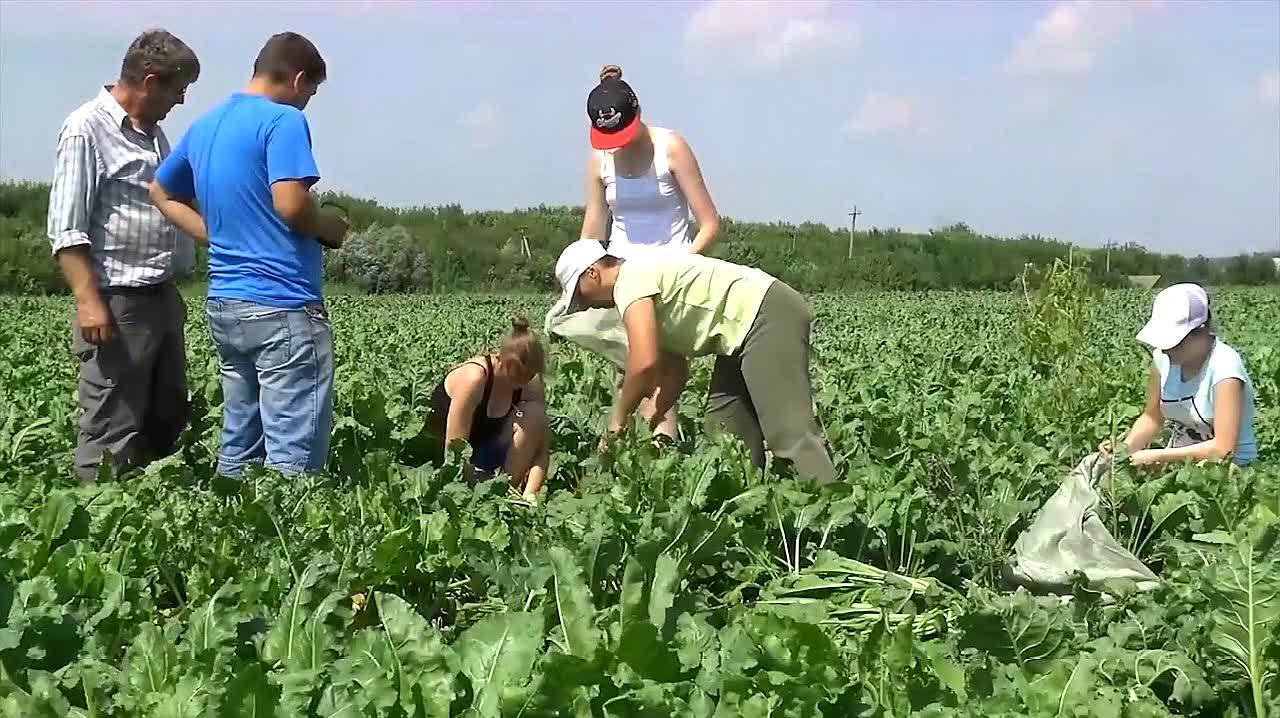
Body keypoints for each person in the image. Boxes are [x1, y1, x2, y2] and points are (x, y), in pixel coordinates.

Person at [151, 32, 350, 477]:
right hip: (283, 302)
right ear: (298, 79)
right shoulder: (282, 121)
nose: (307, 103)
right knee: (292, 454)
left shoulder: (206, 124)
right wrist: (330, 229)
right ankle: (288, 535)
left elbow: (161, 192)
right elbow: (291, 203)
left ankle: (232, 530)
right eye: (311, 92)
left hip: (227, 303)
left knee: (240, 441)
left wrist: (214, 234)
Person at [46, 29, 201, 481]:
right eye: (179, 89)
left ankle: (151, 514)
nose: (181, 101)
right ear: (151, 82)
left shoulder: (153, 137)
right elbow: (67, 227)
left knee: (166, 409)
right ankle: (98, 516)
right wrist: (89, 301)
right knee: (112, 418)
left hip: (159, 294)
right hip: (117, 297)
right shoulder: (86, 128)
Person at [553, 239, 837, 483]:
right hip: (737, 337)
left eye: (579, 295)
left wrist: (618, 421)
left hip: (766, 313)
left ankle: (837, 522)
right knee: (726, 436)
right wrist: (645, 425)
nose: (584, 305)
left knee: (789, 434)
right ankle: (749, 526)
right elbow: (674, 372)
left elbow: (643, 364)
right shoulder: (640, 286)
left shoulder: (630, 280)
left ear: (593, 273)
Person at [546, 65, 721, 444]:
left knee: (664, 370)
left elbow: (709, 224)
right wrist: (575, 281)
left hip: (671, 277)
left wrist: (683, 266)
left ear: (638, 114)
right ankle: (649, 455)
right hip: (621, 282)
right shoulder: (601, 161)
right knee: (638, 370)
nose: (617, 145)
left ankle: (653, 451)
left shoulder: (670, 148)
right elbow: (592, 233)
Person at [1100, 283, 1258, 466]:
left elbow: (1223, 449)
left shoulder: (1225, 367)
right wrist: (1125, 448)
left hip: (1231, 470)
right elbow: (1152, 417)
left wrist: (1156, 456)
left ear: (1201, 331)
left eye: (1175, 343)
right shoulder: (1161, 359)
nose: (1167, 349)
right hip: (1182, 465)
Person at [427, 318, 551, 503]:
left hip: (484, 452)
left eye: (529, 376)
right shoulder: (475, 378)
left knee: (534, 414)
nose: (521, 383)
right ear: (502, 361)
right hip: (439, 455)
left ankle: (508, 493)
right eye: (516, 375)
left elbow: (541, 448)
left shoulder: (529, 385)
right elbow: (454, 448)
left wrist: (531, 494)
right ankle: (487, 493)